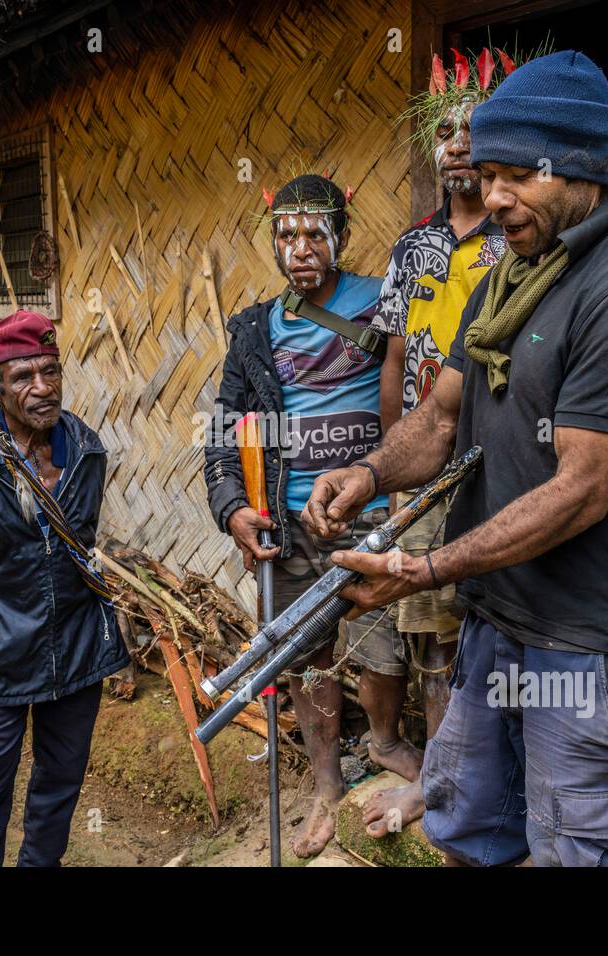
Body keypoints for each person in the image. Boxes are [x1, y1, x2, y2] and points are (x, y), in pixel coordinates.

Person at [302, 51, 608, 866]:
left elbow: (582, 490)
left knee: (587, 851)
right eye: (487, 174)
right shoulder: (511, 276)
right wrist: (371, 472)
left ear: (583, 165)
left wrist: (430, 567)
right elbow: (441, 415)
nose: (494, 198)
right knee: (470, 832)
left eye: (519, 176)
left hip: (594, 645)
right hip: (499, 624)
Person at [204, 173, 396, 857]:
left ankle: (385, 743)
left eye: (316, 233)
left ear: (339, 238)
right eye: (286, 235)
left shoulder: (383, 301)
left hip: (372, 517)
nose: (300, 247)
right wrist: (231, 508)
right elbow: (225, 429)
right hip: (286, 525)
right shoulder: (256, 328)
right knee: (305, 661)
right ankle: (324, 789)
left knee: (385, 648)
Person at [362, 50, 512, 834]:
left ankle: (489, 779)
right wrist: (390, 465)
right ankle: (444, 784)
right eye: (444, 131)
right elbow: (393, 361)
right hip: (423, 467)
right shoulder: (412, 247)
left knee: (491, 620)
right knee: (430, 632)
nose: (456, 144)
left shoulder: (519, 242)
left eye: (471, 128)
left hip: (498, 464)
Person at [0, 310, 129, 867]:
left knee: (60, 783)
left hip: (79, 647)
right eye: (23, 377)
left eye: (51, 371)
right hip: (0, 651)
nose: (42, 388)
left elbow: (81, 543)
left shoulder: (86, 449)